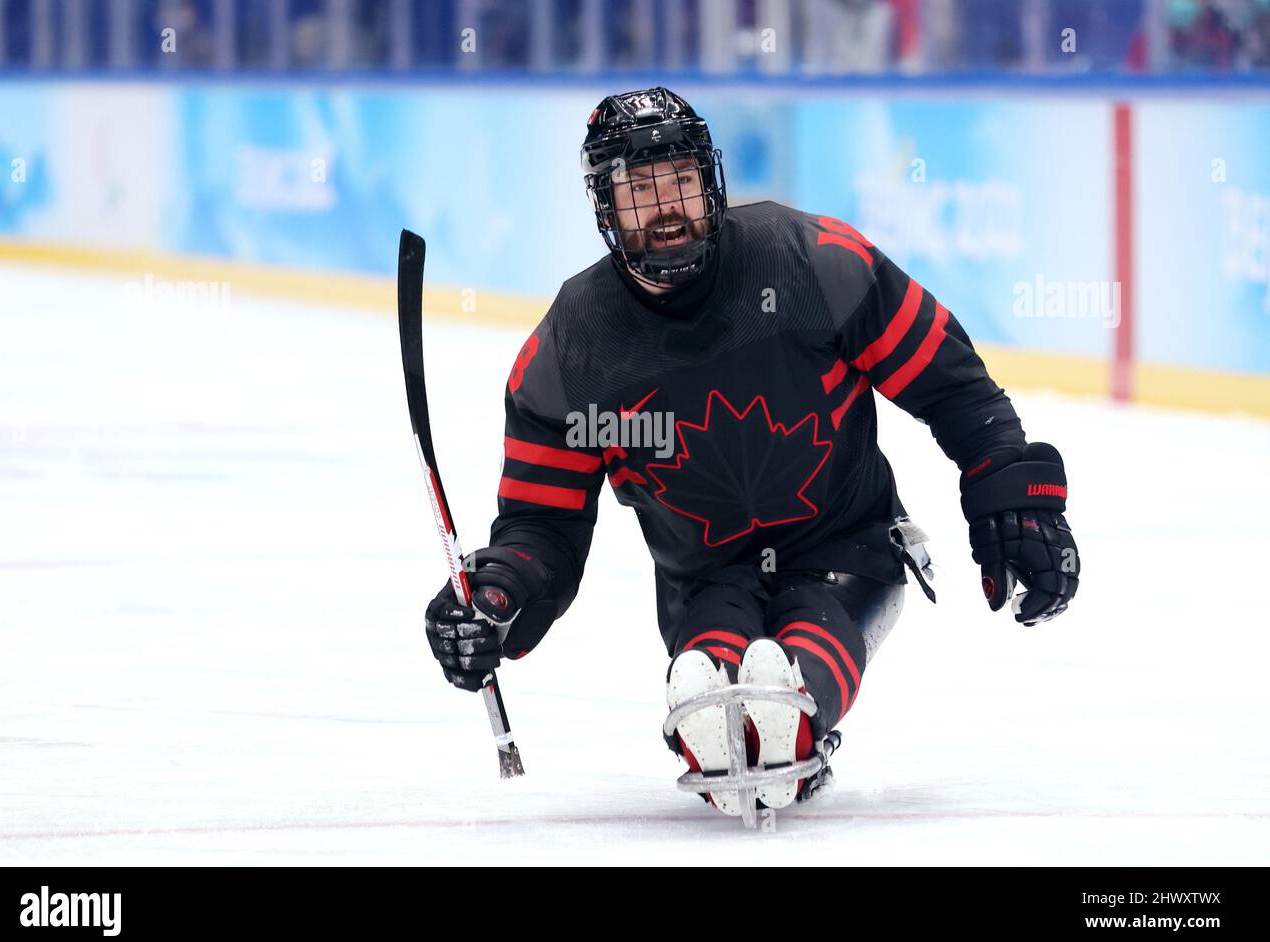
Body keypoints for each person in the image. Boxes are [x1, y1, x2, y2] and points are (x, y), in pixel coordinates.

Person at [424, 87, 1079, 817]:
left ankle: (790, 712)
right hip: (706, 578)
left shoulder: (814, 264)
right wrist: (497, 597)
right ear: (604, 207)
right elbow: (541, 529)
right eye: (640, 190)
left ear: (711, 181)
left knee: (804, 642)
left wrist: (1011, 490)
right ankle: (734, 717)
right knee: (712, 662)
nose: (666, 206)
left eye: (678, 181)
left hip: (849, 546)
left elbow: (952, 386)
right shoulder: (570, 355)